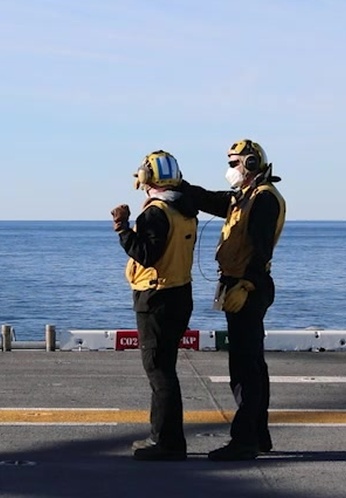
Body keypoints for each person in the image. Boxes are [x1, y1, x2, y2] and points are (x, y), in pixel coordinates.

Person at [181, 139, 286, 461]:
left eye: (234, 163)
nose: (230, 170)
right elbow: (212, 200)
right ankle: (258, 434)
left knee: (245, 368)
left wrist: (247, 284)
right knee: (253, 363)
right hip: (241, 284)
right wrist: (180, 186)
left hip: (247, 287)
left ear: (251, 164)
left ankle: (244, 441)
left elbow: (260, 246)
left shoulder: (264, 199)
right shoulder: (246, 197)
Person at [110, 150, 199, 462]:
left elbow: (146, 255)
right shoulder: (185, 209)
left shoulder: (155, 212)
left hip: (156, 296)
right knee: (166, 368)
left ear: (147, 178)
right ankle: (166, 437)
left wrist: (122, 228)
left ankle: (167, 442)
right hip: (180, 293)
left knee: (159, 371)